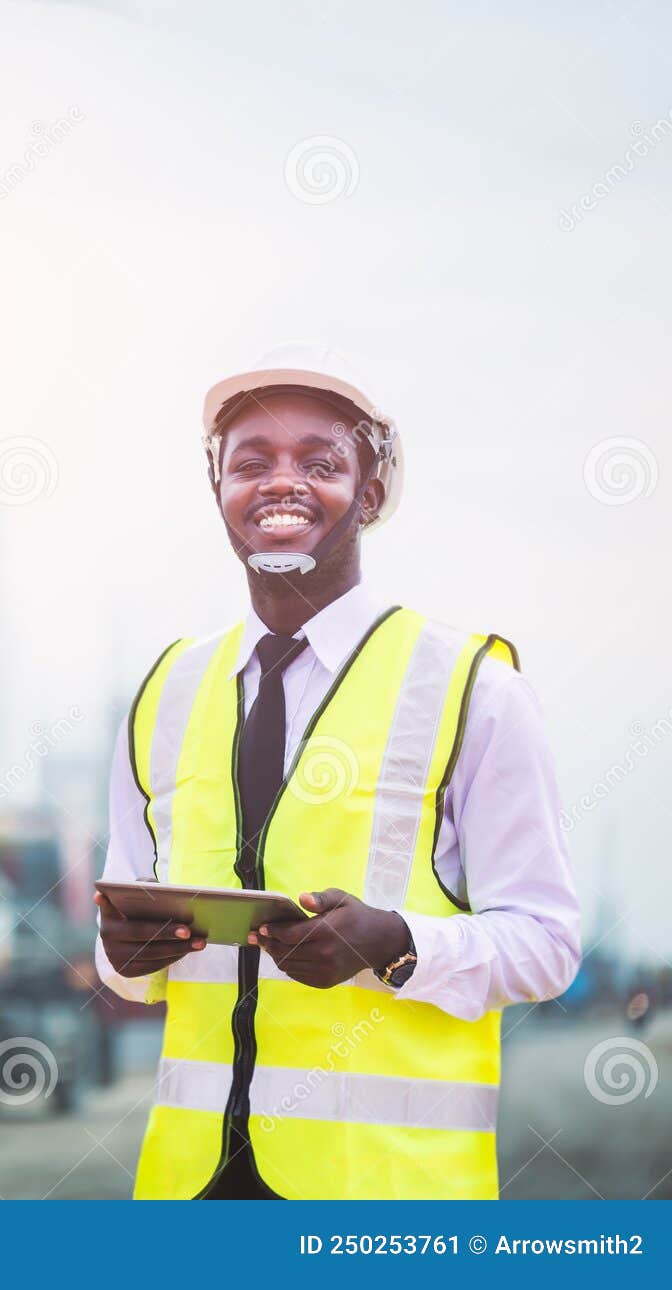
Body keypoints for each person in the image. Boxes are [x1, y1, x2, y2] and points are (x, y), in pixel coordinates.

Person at [96, 344, 580, 1200]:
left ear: (373, 493)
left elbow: (547, 944)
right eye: (251, 463)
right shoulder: (165, 693)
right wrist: (120, 957)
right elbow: (123, 936)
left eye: (321, 463)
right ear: (219, 491)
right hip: (188, 1193)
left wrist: (400, 946)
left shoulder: (476, 690)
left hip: (382, 1198)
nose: (281, 483)